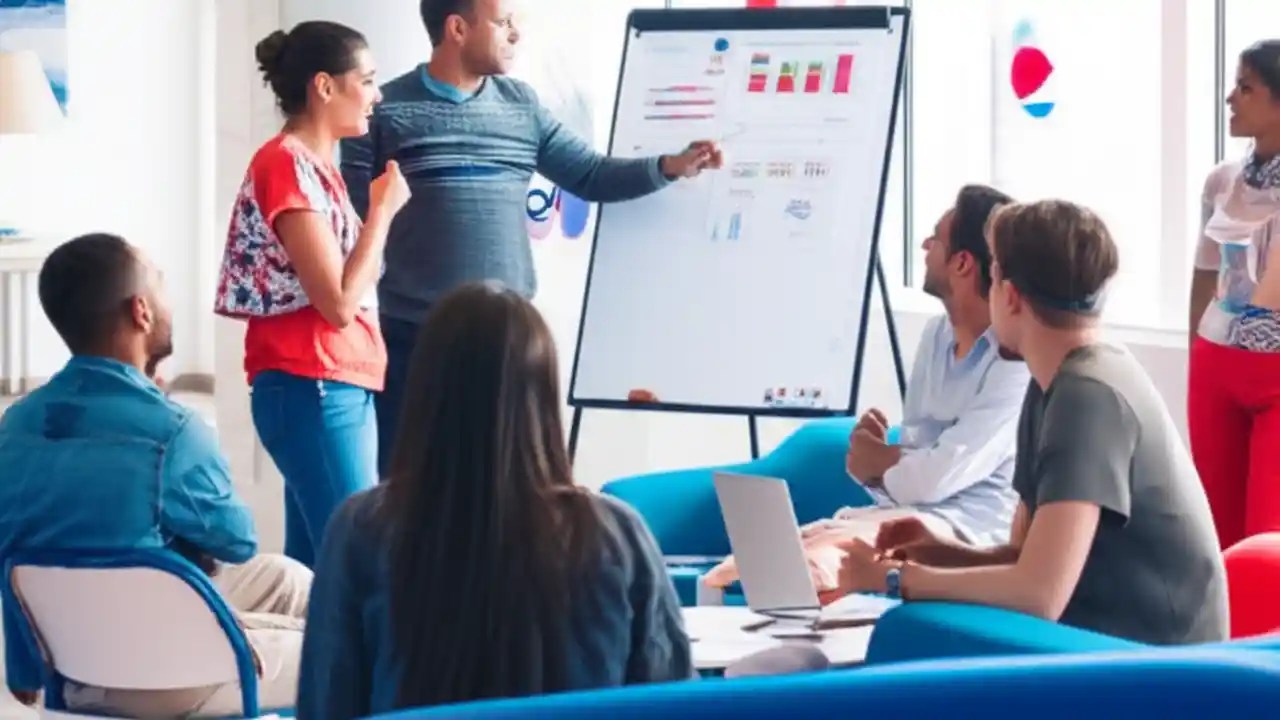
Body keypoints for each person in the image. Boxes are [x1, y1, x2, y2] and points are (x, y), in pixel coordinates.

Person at [341, 0, 724, 476]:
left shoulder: (521, 105)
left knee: (507, 482)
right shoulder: (385, 110)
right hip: (415, 340)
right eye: (503, 23)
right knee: (406, 482)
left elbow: (589, 174)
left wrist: (670, 166)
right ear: (457, 28)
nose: (515, 34)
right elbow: (350, 220)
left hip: (506, 338)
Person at [827, 200, 1228, 646]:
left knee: (907, 637)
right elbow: (1024, 558)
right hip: (1103, 641)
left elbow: (1039, 595)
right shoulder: (1052, 381)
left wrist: (893, 578)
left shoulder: (1087, 396)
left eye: (993, 275)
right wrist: (940, 554)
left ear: (1011, 295)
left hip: (1155, 663)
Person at [297, 282, 692, 719]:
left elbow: (326, 702)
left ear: (425, 391)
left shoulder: (362, 530)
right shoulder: (617, 534)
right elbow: (671, 699)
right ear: (543, 394)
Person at [0, 234, 310, 715]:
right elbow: (237, 541)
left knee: (287, 579)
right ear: (140, 311)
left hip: (71, 670)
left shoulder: (15, 425)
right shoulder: (175, 432)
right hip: (169, 677)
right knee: (349, 641)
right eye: (161, 286)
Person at [703, 185, 1029, 592]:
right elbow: (917, 459)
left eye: (935, 239)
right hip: (903, 514)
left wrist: (878, 462)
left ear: (962, 263)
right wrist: (877, 466)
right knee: (742, 565)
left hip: (964, 531)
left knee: (818, 562)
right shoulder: (936, 336)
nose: (925, 245)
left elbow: (936, 477)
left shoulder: (1014, 364)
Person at [214, 21, 411, 567]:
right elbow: (339, 304)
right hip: (315, 383)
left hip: (330, 382)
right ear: (324, 86)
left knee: (313, 571)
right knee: (360, 564)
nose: (377, 95)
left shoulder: (315, 167)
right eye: (366, 81)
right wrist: (383, 212)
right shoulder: (285, 163)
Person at [1188, 39, 1280, 550]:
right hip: (1216, 364)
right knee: (1214, 534)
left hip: (1276, 373)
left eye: (1245, 88)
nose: (1230, 98)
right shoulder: (1222, 181)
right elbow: (1204, 274)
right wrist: (1195, 356)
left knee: (1267, 538)